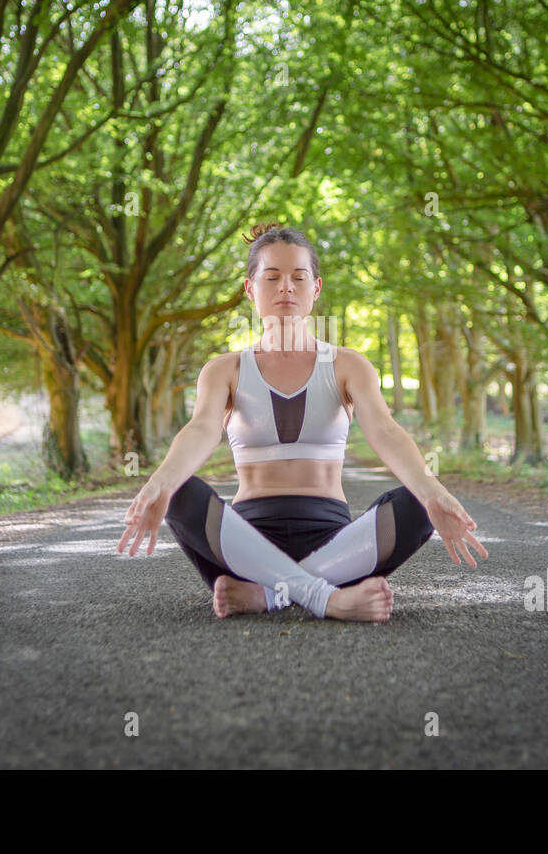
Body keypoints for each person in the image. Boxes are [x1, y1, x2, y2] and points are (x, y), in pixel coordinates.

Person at [117, 223, 486, 622]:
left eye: (298, 277)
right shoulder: (224, 370)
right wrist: (161, 482)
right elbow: (201, 430)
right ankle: (325, 597)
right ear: (249, 289)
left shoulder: (348, 365)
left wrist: (432, 491)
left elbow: (385, 430)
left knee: (419, 502)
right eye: (271, 277)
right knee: (179, 492)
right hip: (246, 541)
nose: (286, 288)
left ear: (316, 288)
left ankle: (268, 594)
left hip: (335, 543)